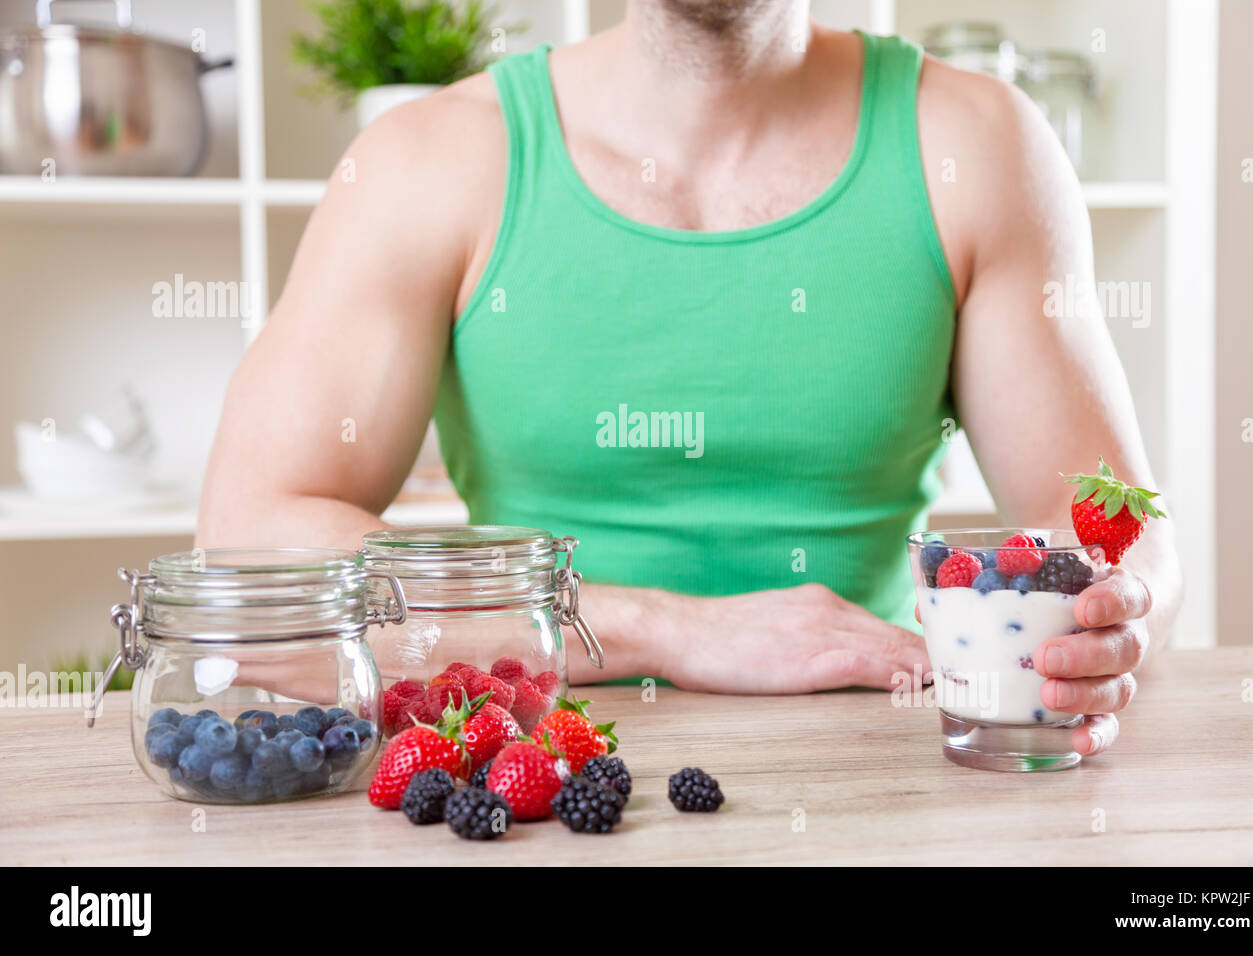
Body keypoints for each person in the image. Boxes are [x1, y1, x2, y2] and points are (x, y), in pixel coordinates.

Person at [197, 0, 1181, 759]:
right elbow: (245, 550)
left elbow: (1119, 524)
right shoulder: (430, 162)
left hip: (876, 766)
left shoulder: (980, 146)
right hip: (520, 771)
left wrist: (1100, 623)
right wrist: (672, 630)